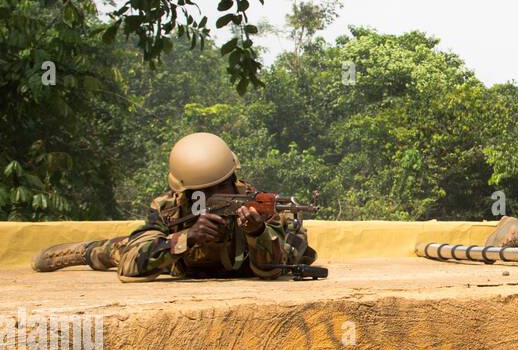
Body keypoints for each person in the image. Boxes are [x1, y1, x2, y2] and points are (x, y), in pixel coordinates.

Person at [31, 132, 315, 281]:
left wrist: (256, 233)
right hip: (177, 267)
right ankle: (82, 252)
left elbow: (274, 270)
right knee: (117, 250)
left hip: (238, 267)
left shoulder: (257, 204)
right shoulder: (170, 207)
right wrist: (187, 238)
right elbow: (131, 266)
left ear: (233, 177)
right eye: (208, 193)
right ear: (187, 193)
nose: (221, 197)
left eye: (225, 186)